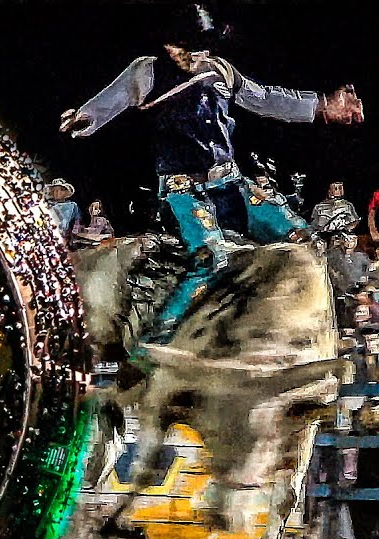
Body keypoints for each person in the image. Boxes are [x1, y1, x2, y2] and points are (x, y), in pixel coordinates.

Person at [59, 3, 364, 372]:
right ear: (169, 45)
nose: (195, 56)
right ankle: (155, 343)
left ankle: (304, 332)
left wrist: (321, 107)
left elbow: (265, 99)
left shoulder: (220, 71)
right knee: (209, 255)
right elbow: (111, 99)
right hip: (182, 190)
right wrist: (84, 117)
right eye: (187, 48)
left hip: (231, 183)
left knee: (302, 237)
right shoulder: (146, 72)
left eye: (201, 47)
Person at [45, 177, 80, 245]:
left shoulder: (69, 206)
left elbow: (62, 225)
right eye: (54, 190)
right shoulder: (48, 202)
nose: (57, 193)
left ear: (65, 193)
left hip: (55, 234)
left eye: (60, 190)